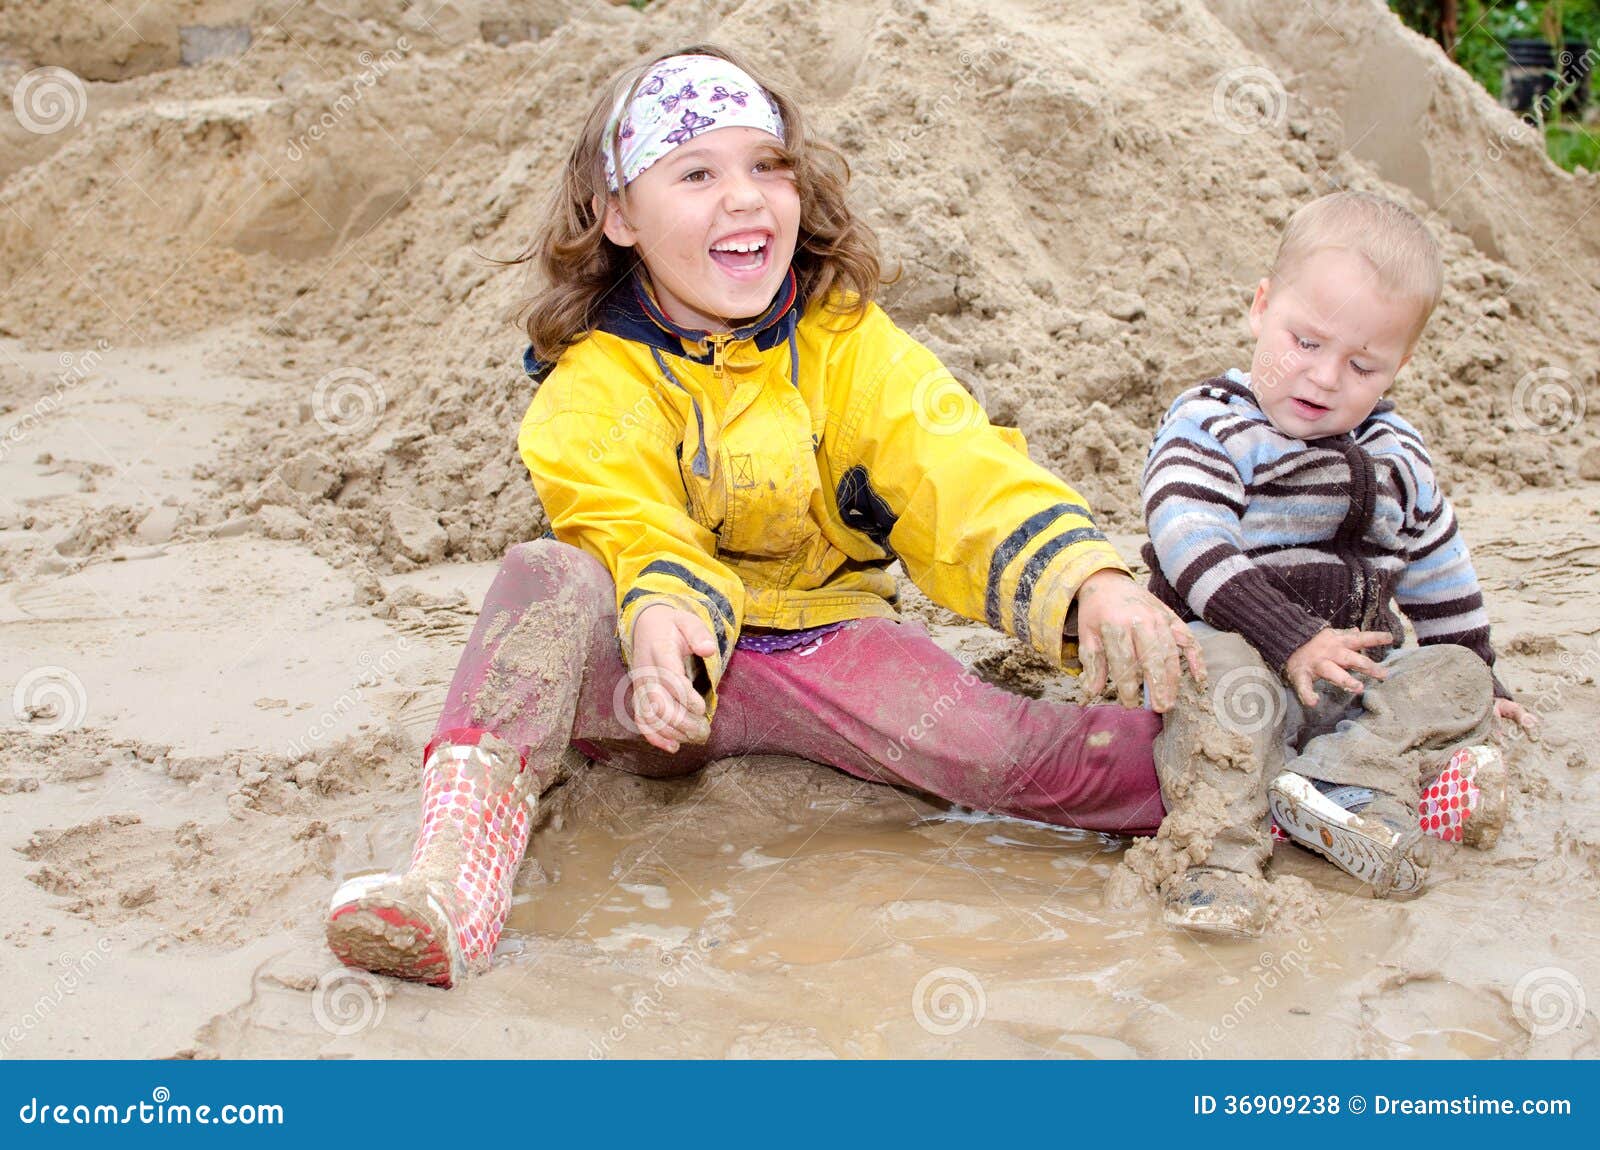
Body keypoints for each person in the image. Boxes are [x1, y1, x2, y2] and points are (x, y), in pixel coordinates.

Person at [324, 45, 1204, 987]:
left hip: (830, 649)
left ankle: (1242, 774)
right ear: (618, 216)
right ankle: (456, 876)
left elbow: (958, 468)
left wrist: (1091, 582)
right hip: (653, 677)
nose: (743, 197)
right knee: (546, 579)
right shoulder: (592, 384)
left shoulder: (849, 344)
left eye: (765, 166)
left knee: (1019, 755)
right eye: (697, 172)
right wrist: (661, 614)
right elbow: (621, 517)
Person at [1140, 191, 1536, 938]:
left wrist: (1486, 671)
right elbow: (1187, 537)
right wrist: (1289, 636)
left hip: (1352, 679)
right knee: (1212, 674)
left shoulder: (1399, 454)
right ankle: (1218, 860)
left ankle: (1344, 782)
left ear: (1400, 366)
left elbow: (1438, 562)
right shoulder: (1214, 423)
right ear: (1261, 306)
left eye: (1361, 364)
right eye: (1305, 342)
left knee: (1458, 679)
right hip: (1245, 663)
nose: (1323, 378)